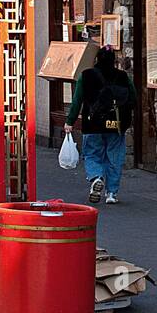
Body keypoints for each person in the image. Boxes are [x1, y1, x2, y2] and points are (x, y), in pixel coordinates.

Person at [64, 46, 136, 205]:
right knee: (114, 158)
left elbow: (77, 101)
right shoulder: (123, 76)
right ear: (113, 60)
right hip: (116, 124)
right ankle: (111, 193)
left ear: (96, 59)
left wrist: (70, 121)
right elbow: (133, 99)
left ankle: (96, 177)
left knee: (92, 153)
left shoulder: (86, 76)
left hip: (93, 123)